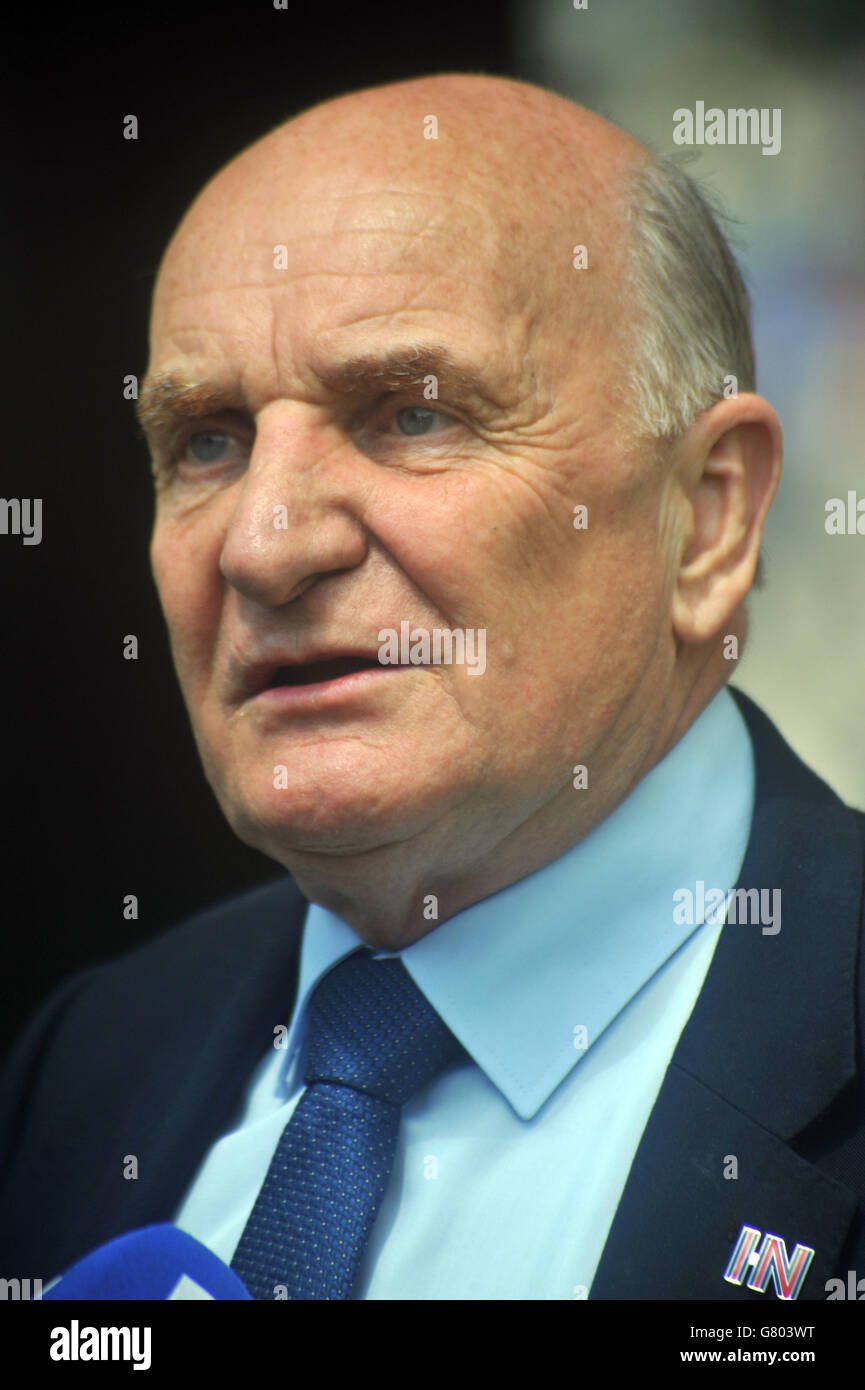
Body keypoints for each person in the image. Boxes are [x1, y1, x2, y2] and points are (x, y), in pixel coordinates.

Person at [1, 72, 863, 1302]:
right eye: (207, 441)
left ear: (708, 517)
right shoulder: (83, 1065)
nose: (264, 543)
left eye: (409, 415)